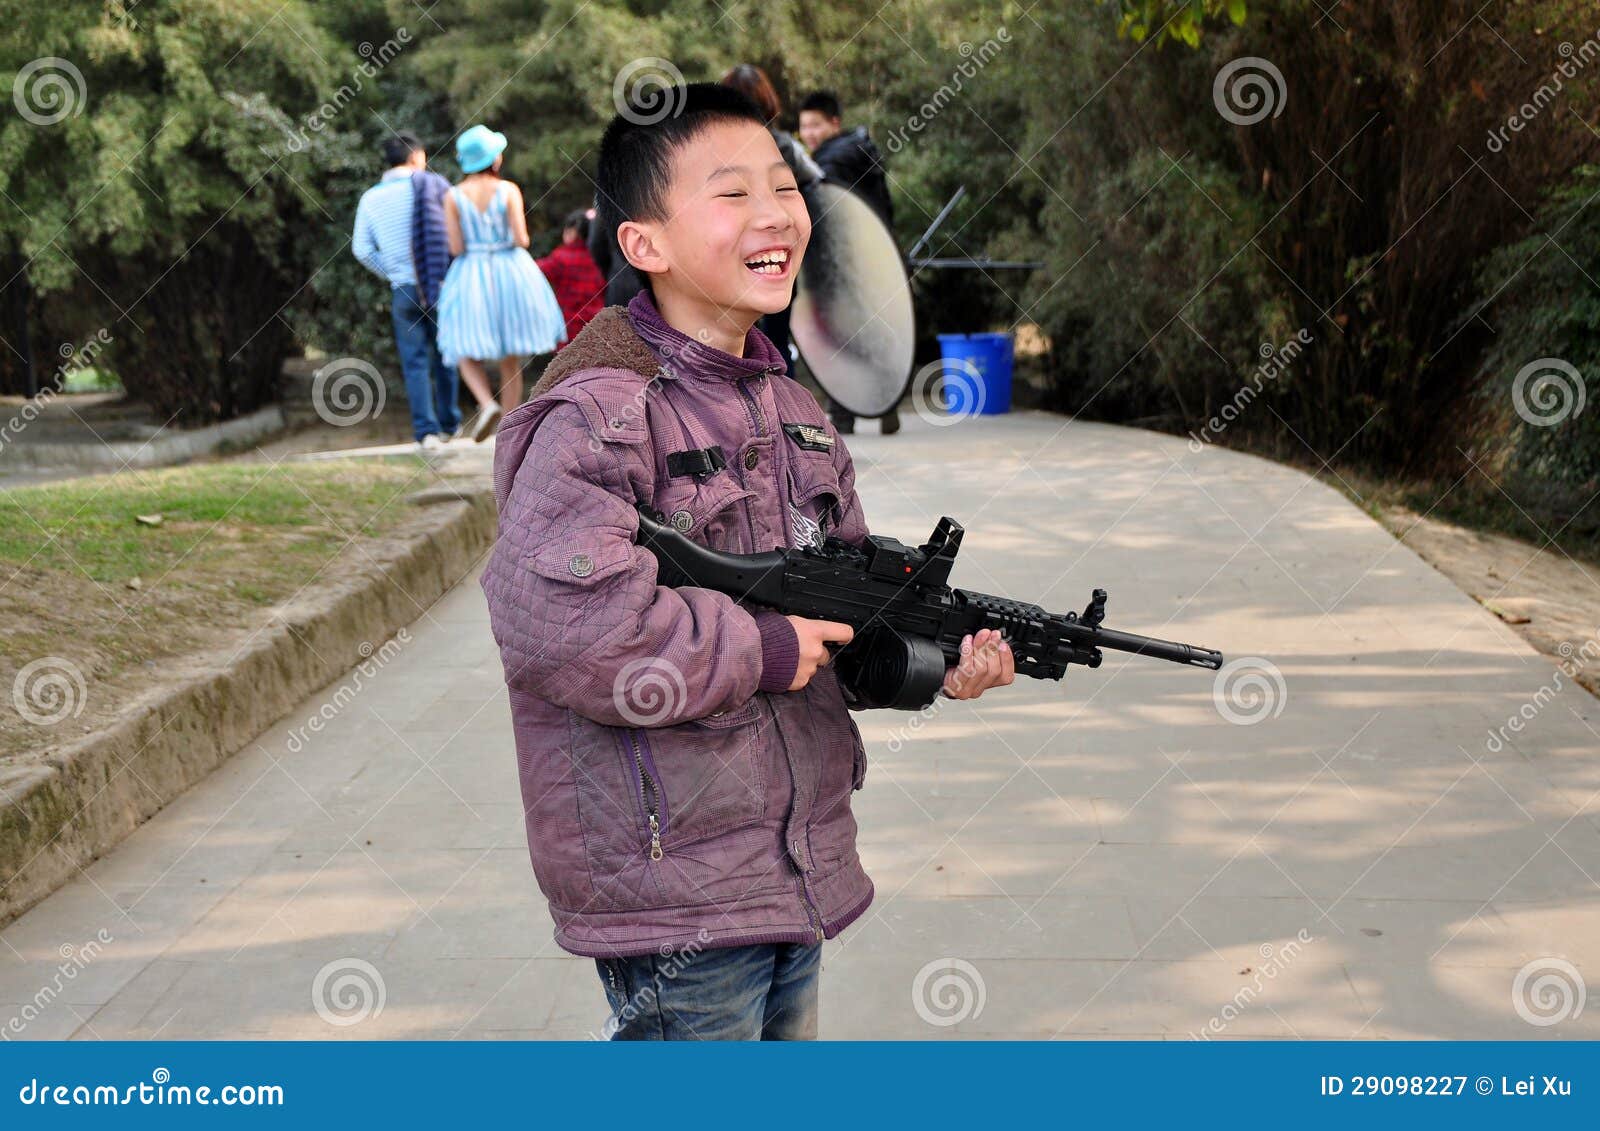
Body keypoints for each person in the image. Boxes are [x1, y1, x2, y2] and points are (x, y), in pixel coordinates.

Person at [478, 83, 1014, 1042]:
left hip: (790, 865)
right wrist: (761, 646)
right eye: (733, 195)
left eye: (784, 186)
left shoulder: (796, 410)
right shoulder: (598, 415)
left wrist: (934, 657)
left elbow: (838, 629)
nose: (777, 215)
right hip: (670, 874)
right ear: (644, 242)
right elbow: (568, 631)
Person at [436, 125, 567, 440]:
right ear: (493, 159)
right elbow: (521, 238)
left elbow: (455, 247)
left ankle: (485, 403)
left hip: (471, 272)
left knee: (460, 344)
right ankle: (510, 426)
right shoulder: (508, 190)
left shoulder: (453, 196)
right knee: (511, 354)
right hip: (511, 269)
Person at [797, 90, 901, 436]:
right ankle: (887, 405)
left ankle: (844, 415)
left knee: (841, 335)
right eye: (804, 127)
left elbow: (824, 209)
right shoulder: (860, 151)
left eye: (815, 125)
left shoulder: (833, 159)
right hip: (875, 261)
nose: (809, 133)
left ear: (834, 124)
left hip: (845, 263)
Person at [352, 131, 462, 454]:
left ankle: (425, 433)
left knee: (414, 362)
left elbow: (361, 249)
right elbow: (458, 230)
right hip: (440, 285)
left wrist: (395, 273)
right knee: (447, 355)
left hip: (403, 291)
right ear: (416, 157)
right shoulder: (437, 187)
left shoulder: (370, 198)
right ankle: (450, 425)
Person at [719, 65, 820, 382]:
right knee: (777, 338)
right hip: (779, 254)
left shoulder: (712, 150)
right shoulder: (784, 146)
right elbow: (818, 180)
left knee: (731, 338)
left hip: (732, 253)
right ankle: (785, 415)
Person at [537, 208, 607, 350]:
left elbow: (536, 270)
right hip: (598, 321)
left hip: (568, 324)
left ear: (571, 232)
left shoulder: (561, 257)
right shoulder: (600, 257)